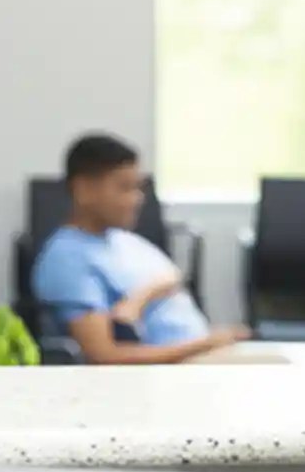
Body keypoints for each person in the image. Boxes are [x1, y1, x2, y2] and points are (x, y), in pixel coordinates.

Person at [32, 134, 249, 364]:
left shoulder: (123, 239)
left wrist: (140, 299)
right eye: (125, 188)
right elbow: (105, 356)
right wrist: (206, 344)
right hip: (175, 369)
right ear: (83, 190)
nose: (137, 199)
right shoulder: (67, 260)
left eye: (138, 188)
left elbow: (173, 276)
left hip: (203, 355)